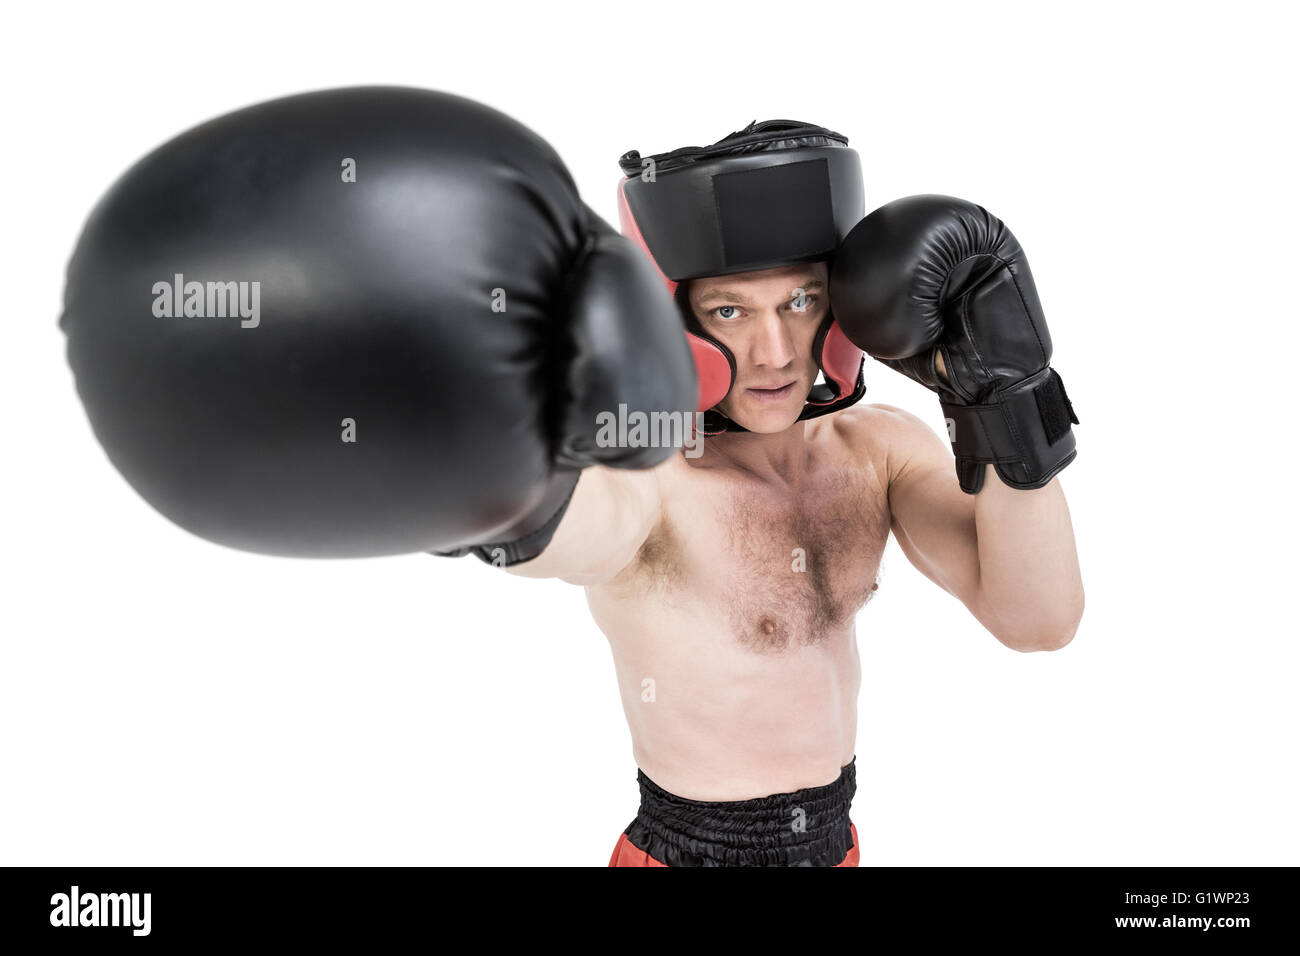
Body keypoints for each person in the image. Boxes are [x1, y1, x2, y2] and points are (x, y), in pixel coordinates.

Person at [61, 92, 1083, 867]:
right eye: (730, 310)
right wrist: (489, 478)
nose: (774, 348)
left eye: (801, 300)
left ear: (843, 304)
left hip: (844, 844)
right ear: (674, 314)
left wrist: (1009, 395)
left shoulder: (885, 447)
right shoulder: (654, 475)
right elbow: (583, 531)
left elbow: (1038, 617)